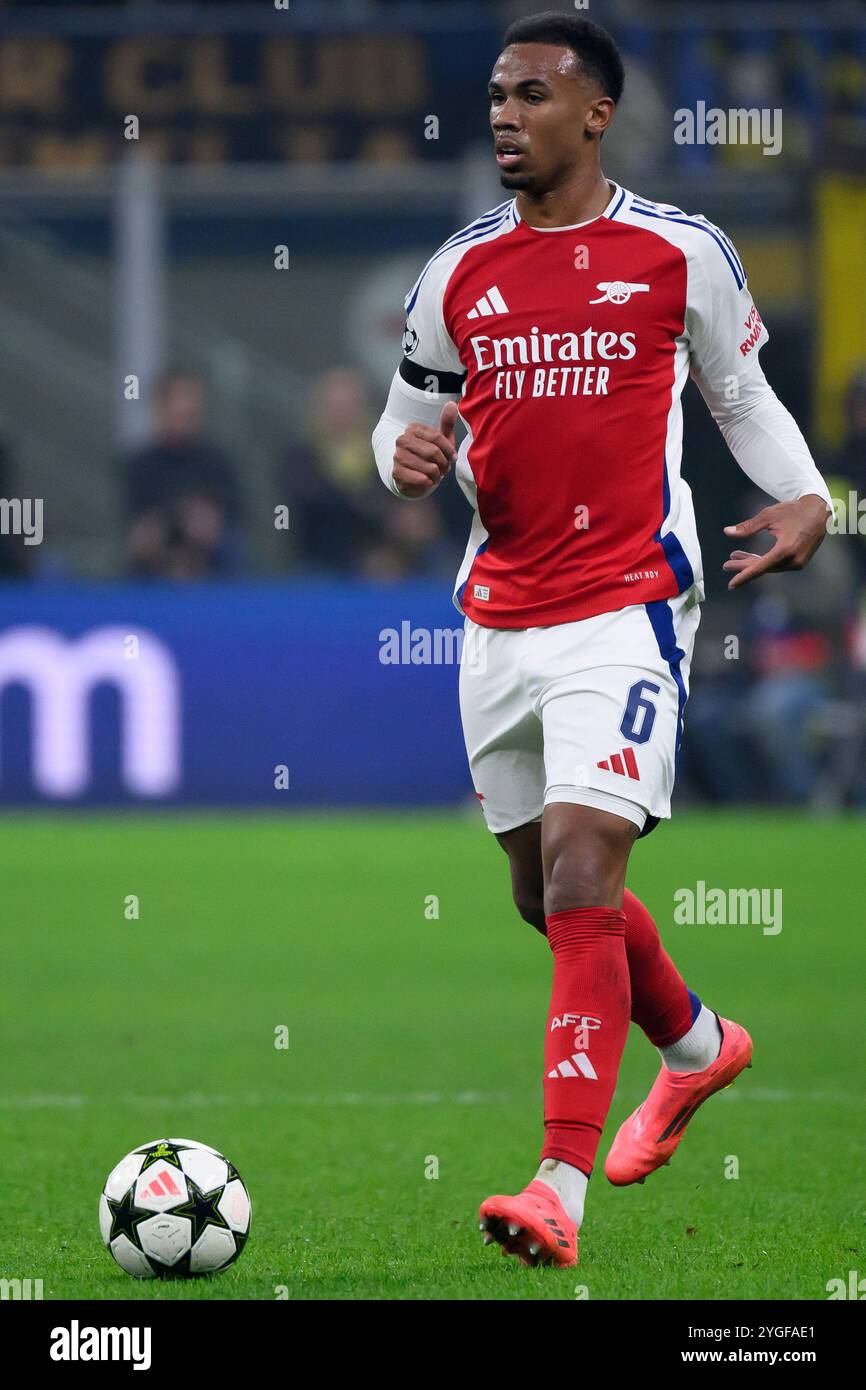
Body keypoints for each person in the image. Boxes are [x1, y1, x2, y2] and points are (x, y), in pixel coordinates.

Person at [371, 12, 832, 1270]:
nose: (503, 115)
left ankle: (555, 1187)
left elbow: (737, 394)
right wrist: (402, 457)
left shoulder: (679, 251)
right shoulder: (456, 270)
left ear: (593, 114)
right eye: (494, 96)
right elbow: (400, 423)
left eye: (529, 94)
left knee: (581, 876)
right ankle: (693, 1046)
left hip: (626, 602)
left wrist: (808, 497)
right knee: (541, 896)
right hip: (497, 609)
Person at [124, 369, 245, 579]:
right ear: (160, 408)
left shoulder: (216, 462)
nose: (185, 408)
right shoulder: (140, 464)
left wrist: (208, 523)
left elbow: (236, 513)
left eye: (191, 400)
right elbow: (136, 520)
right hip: (158, 557)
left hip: (211, 559)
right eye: (177, 400)